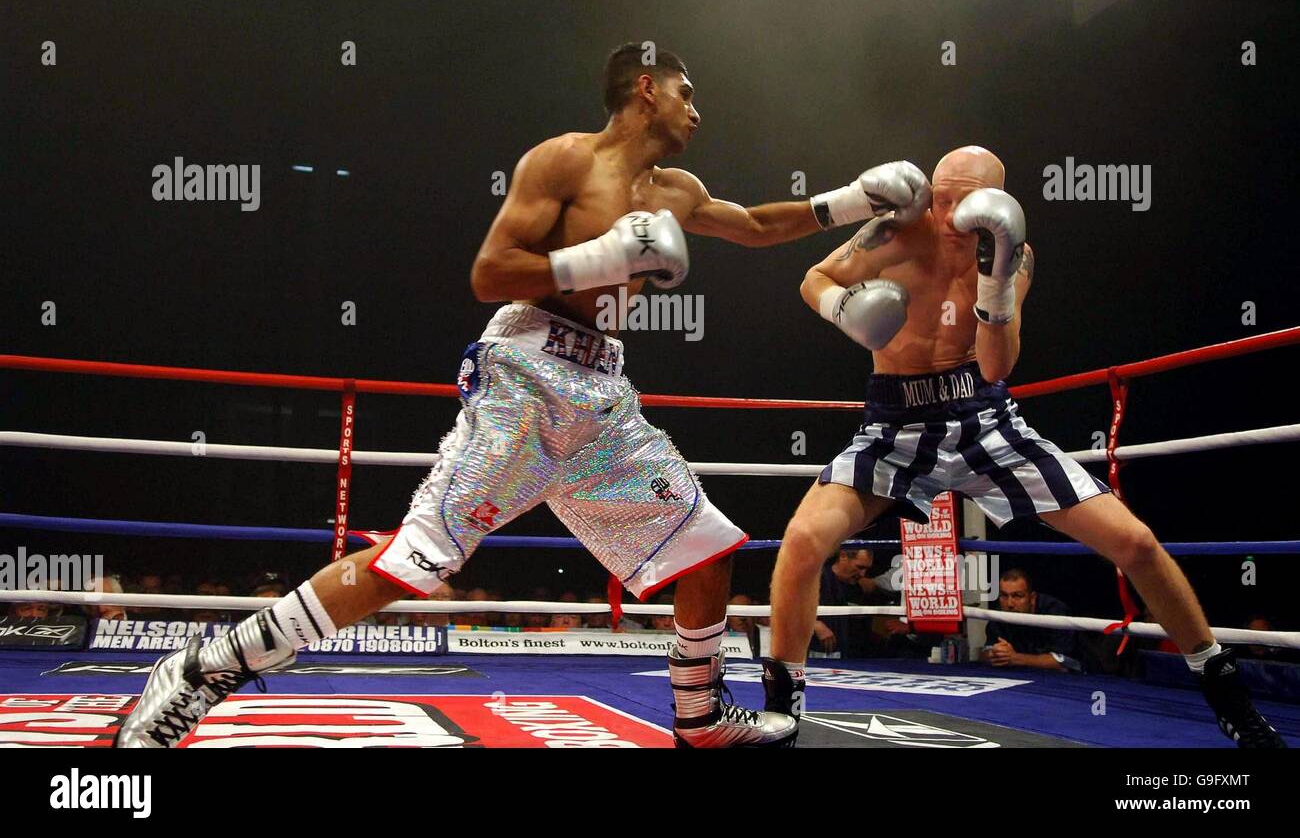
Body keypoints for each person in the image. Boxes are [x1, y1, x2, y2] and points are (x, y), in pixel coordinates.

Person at [116, 42, 891, 749]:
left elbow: (755, 224)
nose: (698, 110)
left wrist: (855, 199)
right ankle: (207, 664)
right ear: (646, 90)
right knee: (416, 560)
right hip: (523, 376)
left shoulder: (678, 192)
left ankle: (699, 716)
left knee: (707, 549)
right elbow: (491, 272)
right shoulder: (564, 160)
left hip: (603, 400)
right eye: (687, 92)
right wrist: (602, 256)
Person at [762, 145, 1286, 748]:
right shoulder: (892, 231)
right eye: (940, 196)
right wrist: (844, 309)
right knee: (803, 540)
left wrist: (995, 279)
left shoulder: (1014, 253)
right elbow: (814, 278)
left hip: (986, 421)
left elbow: (996, 366)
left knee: (1137, 544)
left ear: (996, 202)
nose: (947, 212)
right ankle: (784, 710)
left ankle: (1230, 699)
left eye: (963, 200)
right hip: (895, 424)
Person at [980, 568, 1081, 672]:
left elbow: (1065, 662)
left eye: (1017, 596)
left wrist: (1015, 658)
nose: (1009, 604)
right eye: (1004, 596)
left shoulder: (1055, 611)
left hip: (1066, 677)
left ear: (1032, 598)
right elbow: (985, 652)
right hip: (1019, 675)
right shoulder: (1000, 613)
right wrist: (996, 654)